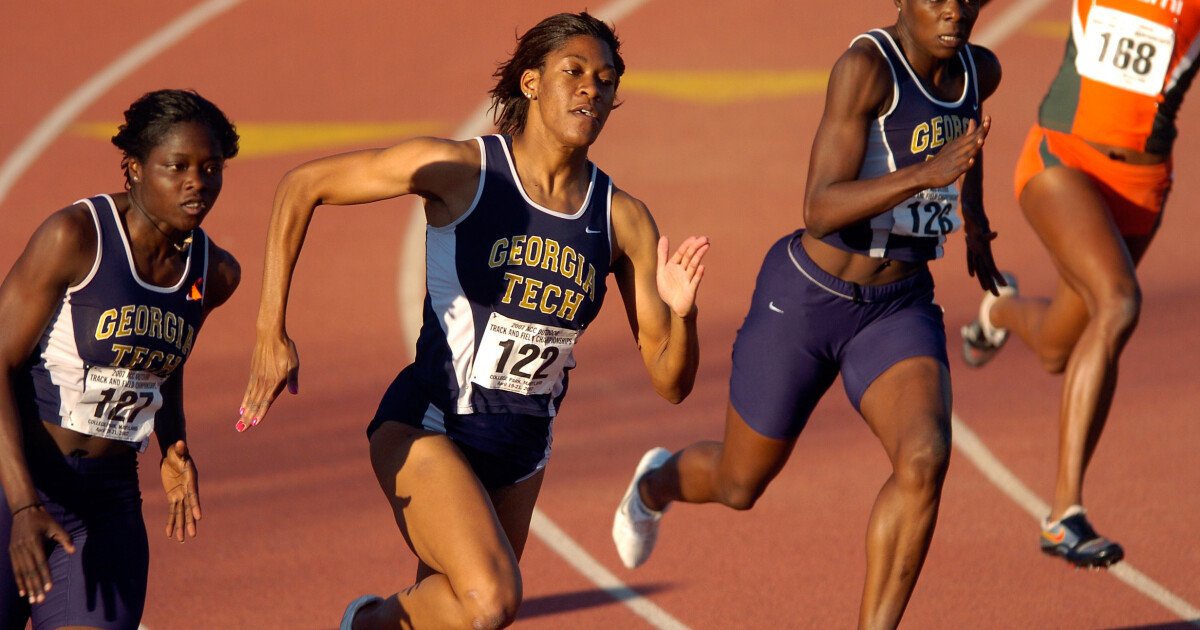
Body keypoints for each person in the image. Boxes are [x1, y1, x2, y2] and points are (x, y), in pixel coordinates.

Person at [235, 12, 708, 630]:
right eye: (575, 72)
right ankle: (364, 624)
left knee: (458, 616)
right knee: (491, 599)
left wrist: (685, 313)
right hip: (430, 424)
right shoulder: (464, 171)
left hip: (522, 453)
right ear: (532, 83)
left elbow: (671, 383)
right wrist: (270, 332)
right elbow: (303, 185)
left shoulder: (624, 221)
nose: (593, 88)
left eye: (607, 79)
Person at [612, 1, 1002, 628]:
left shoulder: (980, 69)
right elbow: (819, 206)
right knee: (740, 486)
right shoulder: (866, 68)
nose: (952, 10)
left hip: (897, 308)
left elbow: (970, 137)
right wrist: (926, 174)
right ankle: (657, 483)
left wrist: (975, 220)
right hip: (806, 297)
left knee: (925, 458)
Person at [960, 0, 1199, 568]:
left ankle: (999, 312)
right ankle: (1064, 514)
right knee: (1117, 304)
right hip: (1061, 159)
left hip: (1141, 189)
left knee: (1057, 347)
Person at [0, 89, 241, 630]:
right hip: (16, 479)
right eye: (176, 166)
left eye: (210, 168)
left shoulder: (215, 274)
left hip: (106, 501)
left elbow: (160, 362)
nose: (196, 182)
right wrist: (20, 505)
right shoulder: (75, 237)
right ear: (133, 168)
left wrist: (172, 442)